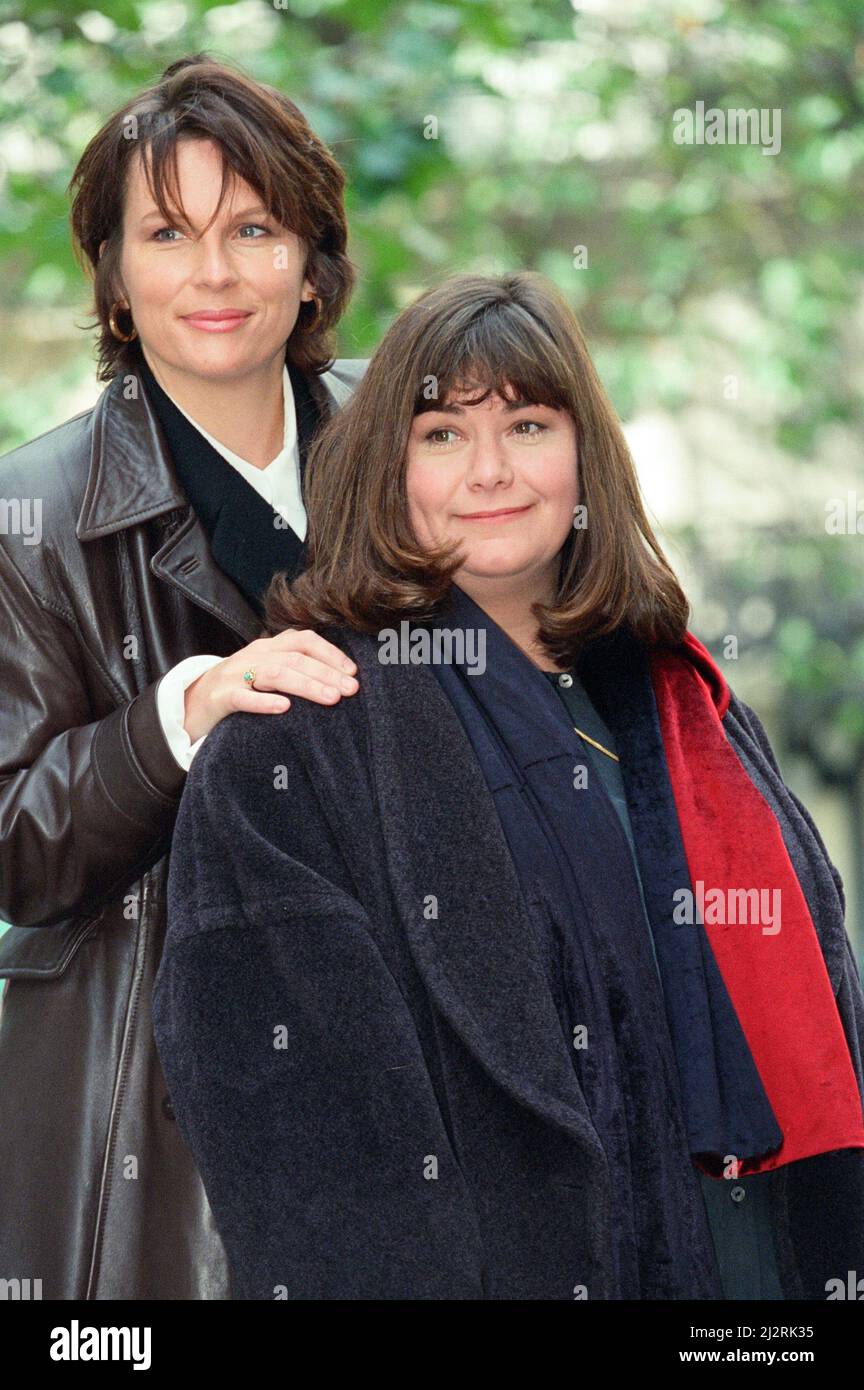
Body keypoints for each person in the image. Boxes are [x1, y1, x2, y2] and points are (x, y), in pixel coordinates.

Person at [153, 270, 864, 1300]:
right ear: (387, 467)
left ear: (585, 460)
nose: (489, 470)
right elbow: (292, 1134)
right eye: (441, 434)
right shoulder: (301, 742)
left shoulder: (687, 706)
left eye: (528, 425)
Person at [0, 54, 367, 1300]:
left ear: (312, 260)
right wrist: (177, 718)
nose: (213, 275)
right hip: (159, 1103)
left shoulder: (408, 449)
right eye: (167, 233)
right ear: (113, 272)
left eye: (253, 228)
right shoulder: (31, 513)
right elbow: (15, 846)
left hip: (418, 1052)